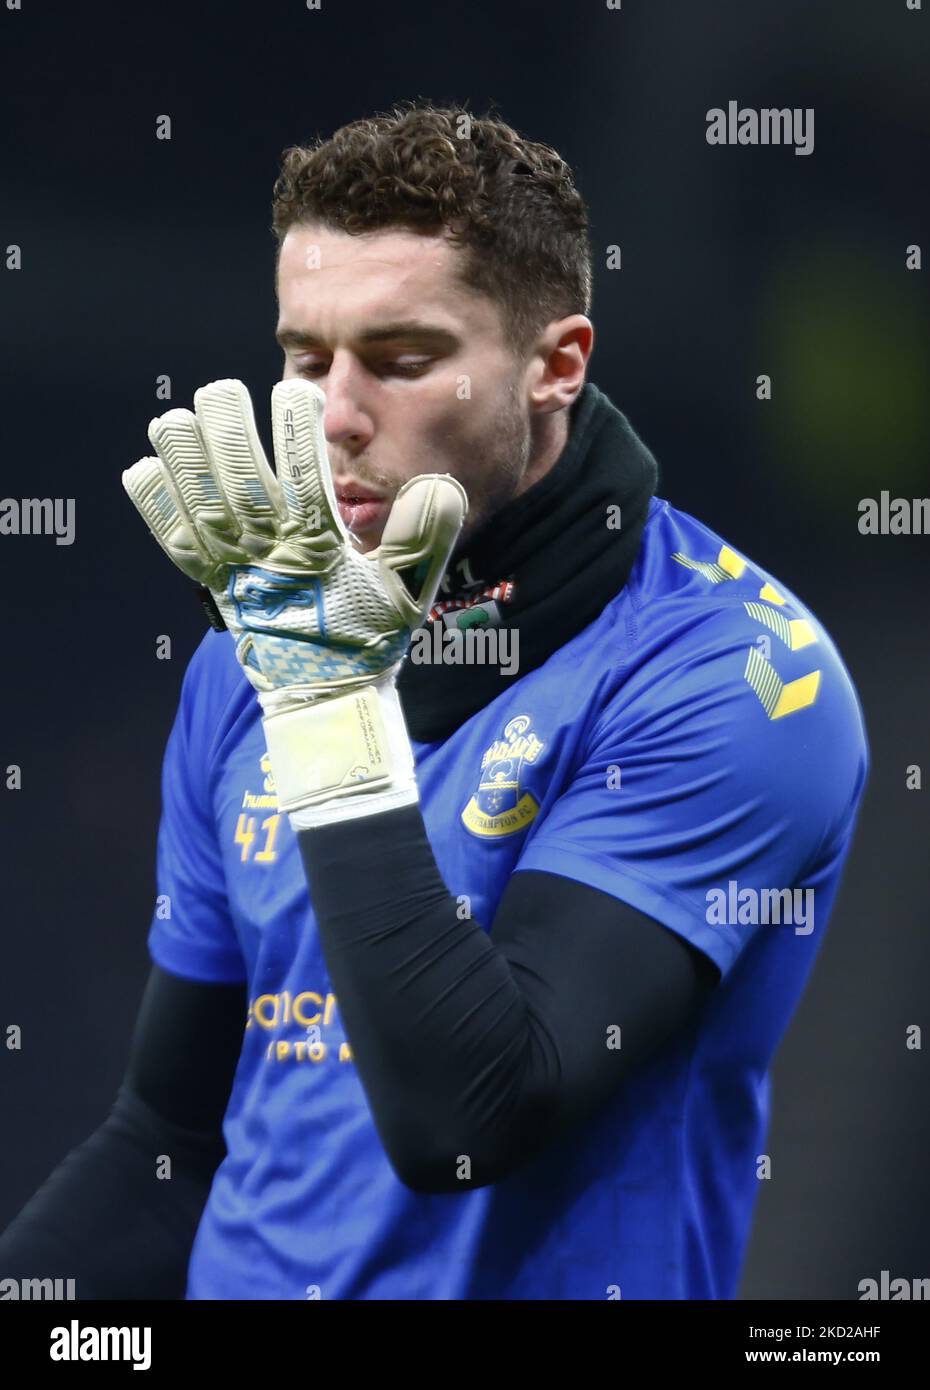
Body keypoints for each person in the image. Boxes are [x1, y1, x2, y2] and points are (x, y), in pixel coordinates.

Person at [0, 100, 869, 1301]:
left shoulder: (737, 674)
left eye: (402, 358)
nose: (332, 416)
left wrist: (326, 715)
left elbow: (469, 1115)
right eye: (305, 359)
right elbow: (168, 1145)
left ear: (557, 364)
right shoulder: (252, 650)